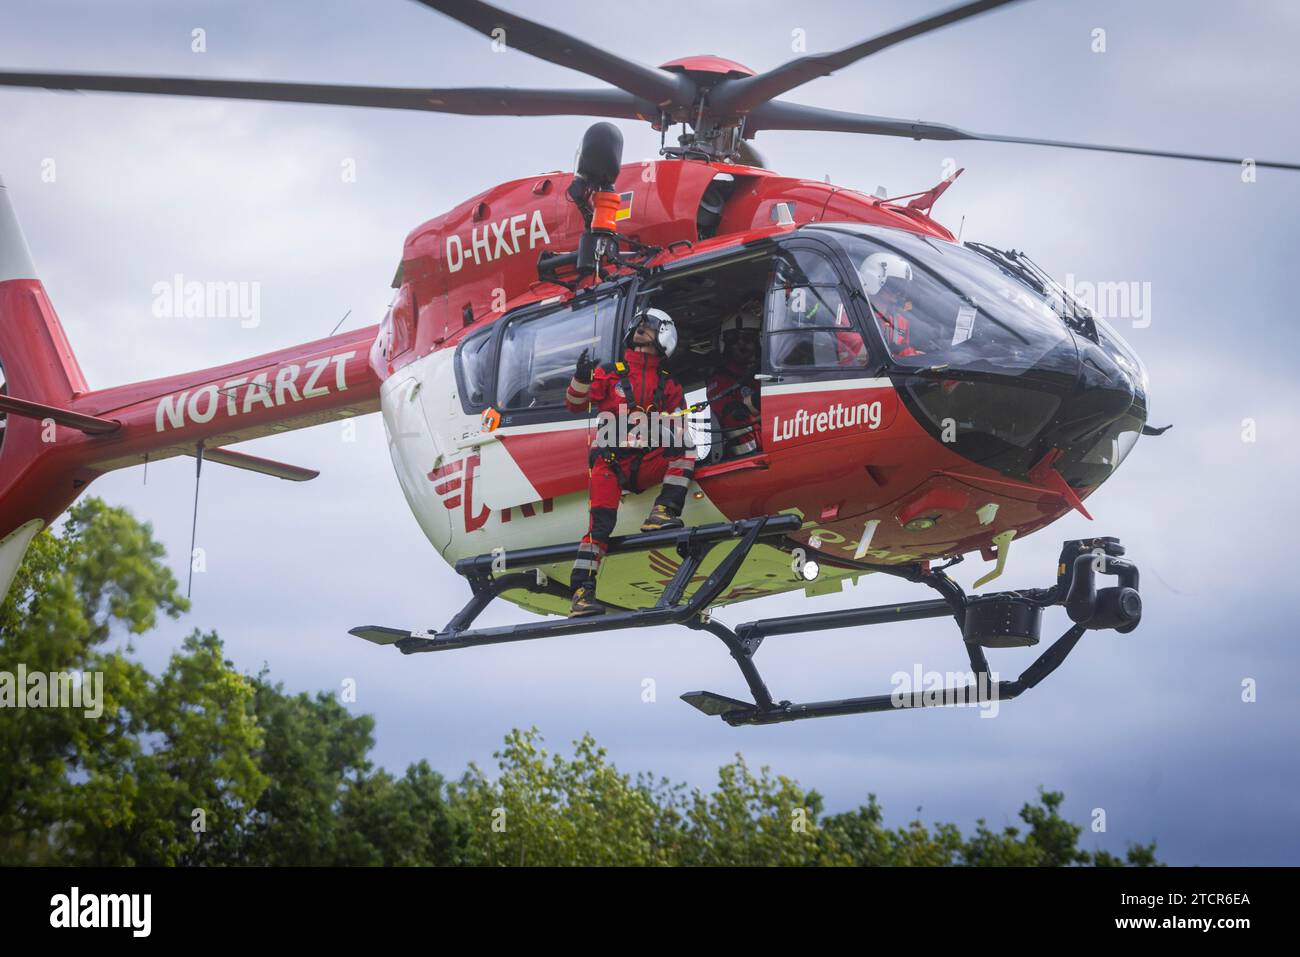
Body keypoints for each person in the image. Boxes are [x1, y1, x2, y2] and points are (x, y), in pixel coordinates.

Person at [563, 307, 696, 617]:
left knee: (686, 447)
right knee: (600, 527)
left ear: (664, 335)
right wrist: (582, 378)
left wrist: (656, 428)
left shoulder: (670, 386)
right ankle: (581, 593)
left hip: (647, 463)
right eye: (638, 323)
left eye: (647, 324)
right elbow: (574, 404)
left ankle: (663, 511)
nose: (640, 328)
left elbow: (679, 429)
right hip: (609, 464)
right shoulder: (611, 372)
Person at [705, 302, 763, 459]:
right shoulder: (719, 381)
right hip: (748, 459)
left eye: (748, 337)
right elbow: (735, 416)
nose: (741, 344)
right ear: (725, 343)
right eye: (733, 339)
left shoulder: (766, 372)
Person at [858, 251, 922, 358]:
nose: (899, 292)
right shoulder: (851, 316)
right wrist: (903, 353)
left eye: (903, 287)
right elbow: (855, 357)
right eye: (894, 285)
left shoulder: (901, 322)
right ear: (873, 280)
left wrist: (911, 356)